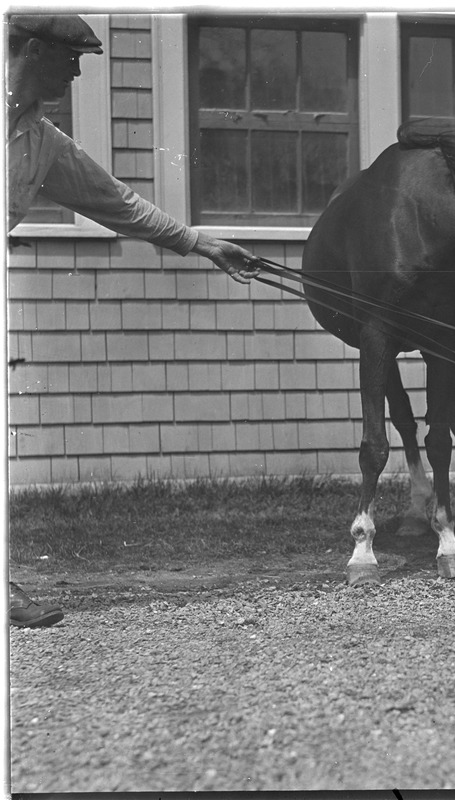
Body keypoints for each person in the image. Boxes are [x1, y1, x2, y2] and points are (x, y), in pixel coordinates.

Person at [7, 14, 262, 628]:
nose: (77, 72)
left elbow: (116, 202)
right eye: (70, 58)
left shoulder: (41, 141)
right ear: (34, 49)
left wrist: (202, 243)